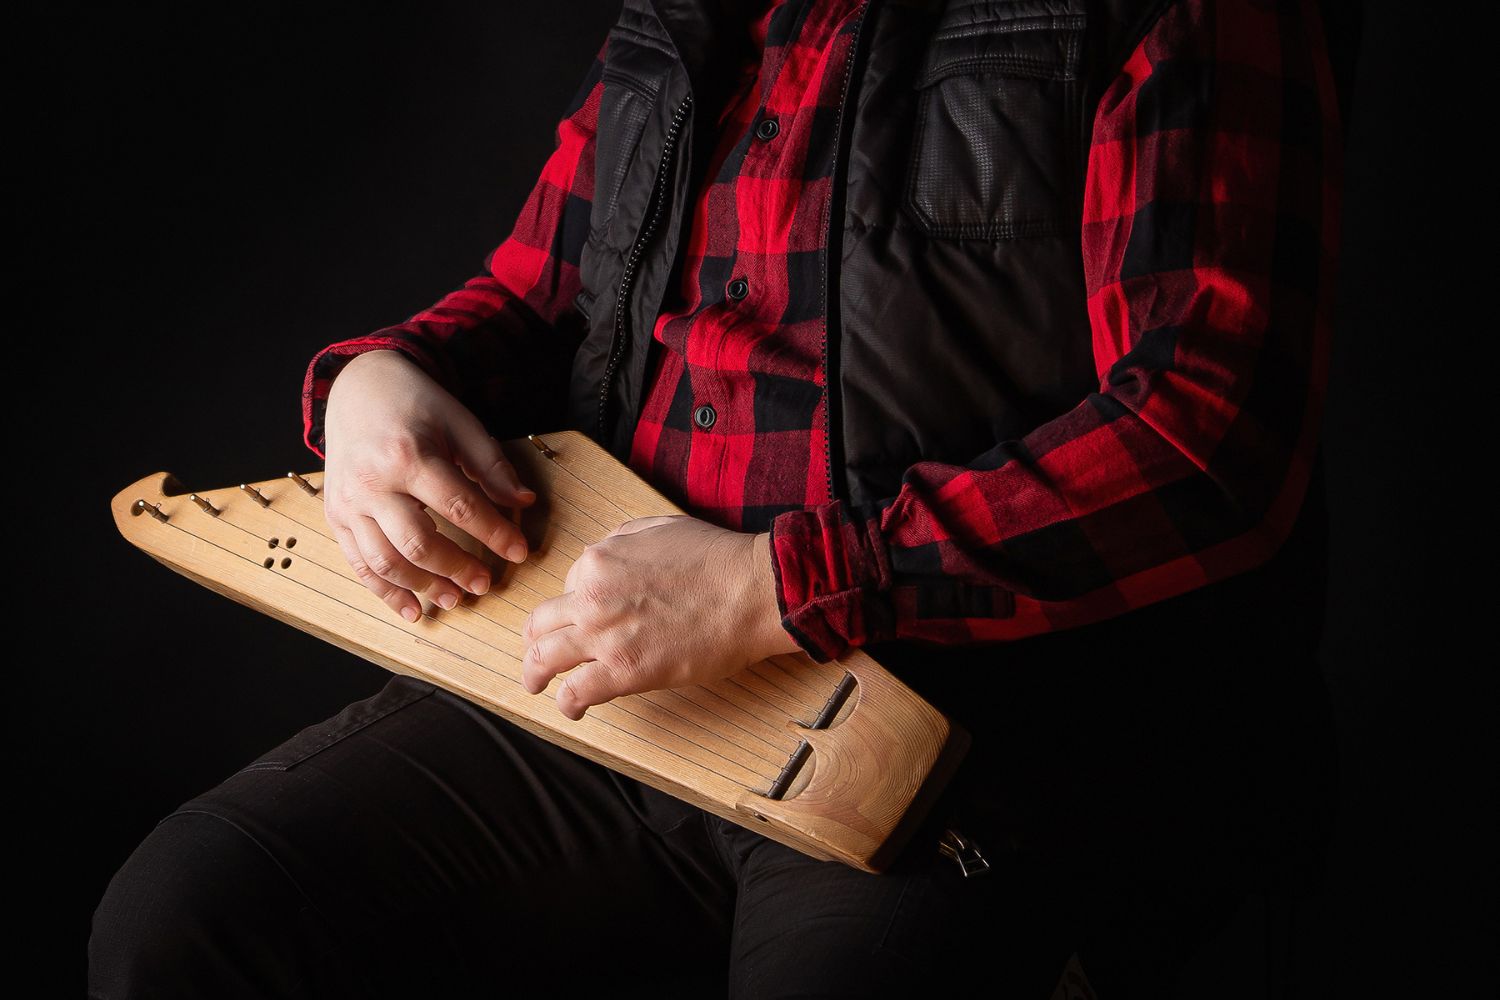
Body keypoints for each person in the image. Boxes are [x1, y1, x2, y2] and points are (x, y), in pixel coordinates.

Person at [89, 0, 1351, 995]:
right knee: (189, 914)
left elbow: (1206, 439)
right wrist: (377, 376)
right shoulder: (696, 10)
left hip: (962, 724)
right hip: (604, 684)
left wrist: (777, 589)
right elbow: (538, 293)